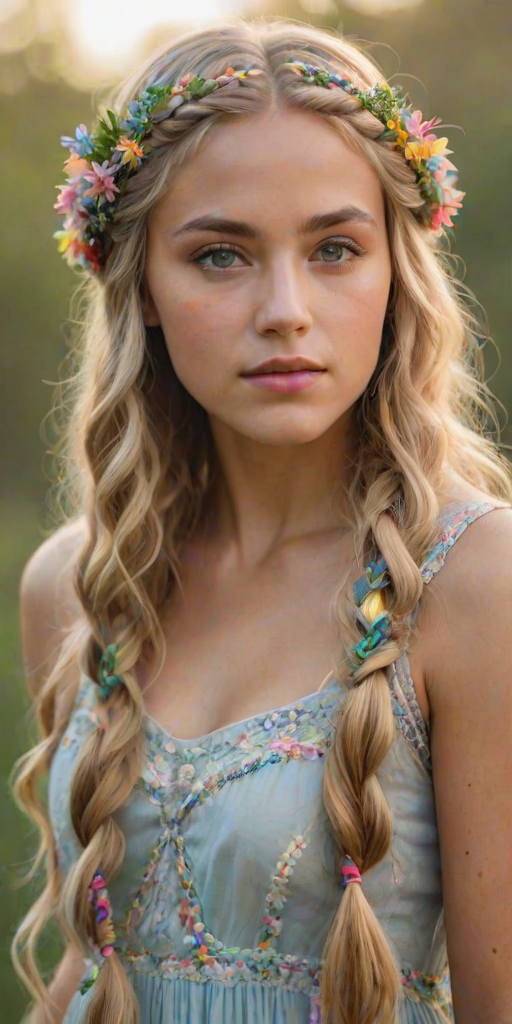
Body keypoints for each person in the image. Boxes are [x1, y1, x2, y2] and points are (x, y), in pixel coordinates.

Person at [11, 14, 512, 1024]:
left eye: (333, 247)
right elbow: (89, 968)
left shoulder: (474, 582)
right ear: (140, 283)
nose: (285, 307)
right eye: (220, 257)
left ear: (392, 270)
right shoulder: (74, 584)